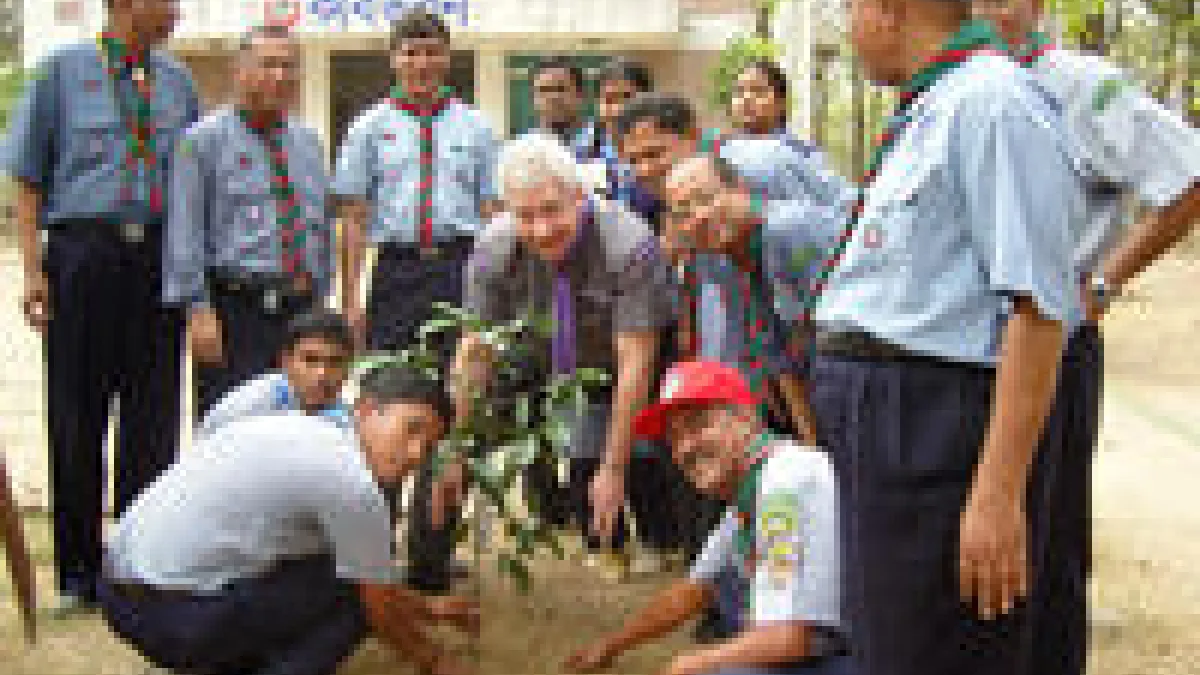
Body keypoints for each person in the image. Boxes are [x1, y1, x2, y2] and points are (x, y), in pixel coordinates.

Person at [807, 3, 1083, 674]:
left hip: (934, 423)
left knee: (940, 647)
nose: (848, 26)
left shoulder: (993, 102)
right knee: (891, 644)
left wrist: (998, 493)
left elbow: (1040, 311)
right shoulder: (936, 103)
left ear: (887, 9)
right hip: (888, 426)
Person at [969, 3, 1200, 673]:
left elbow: (1186, 178)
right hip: (970, 354)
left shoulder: (1079, 85)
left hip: (1050, 343)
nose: (988, 9)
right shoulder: (956, 89)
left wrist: (1103, 282)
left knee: (1046, 542)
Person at [2, 0, 199, 616]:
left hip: (157, 260)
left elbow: (192, 179)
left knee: (153, 418)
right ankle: (78, 572)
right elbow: (27, 177)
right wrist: (33, 270)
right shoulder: (62, 72)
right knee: (76, 415)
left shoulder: (178, 82)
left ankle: (140, 564)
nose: (175, 11)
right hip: (83, 255)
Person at [95, 364, 477, 675]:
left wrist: (428, 608)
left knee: (338, 570)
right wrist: (434, 661)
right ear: (365, 410)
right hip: (169, 618)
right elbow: (378, 606)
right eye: (411, 429)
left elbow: (370, 578)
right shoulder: (352, 483)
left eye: (428, 447)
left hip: (119, 595)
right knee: (355, 602)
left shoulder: (303, 427)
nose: (415, 454)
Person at [452, 132, 676, 579]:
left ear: (579, 196)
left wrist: (613, 469)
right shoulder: (493, 248)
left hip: (625, 359)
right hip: (544, 357)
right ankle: (600, 536)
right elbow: (476, 349)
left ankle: (662, 537)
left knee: (634, 457)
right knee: (581, 464)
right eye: (525, 215)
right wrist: (458, 447)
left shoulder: (629, 244)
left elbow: (635, 364)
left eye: (552, 210)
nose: (541, 229)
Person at [334, 7, 500, 593]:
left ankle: (431, 557)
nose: (421, 63)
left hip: (459, 270)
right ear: (393, 59)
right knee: (385, 402)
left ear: (447, 58)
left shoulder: (477, 127)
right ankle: (372, 552)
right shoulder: (368, 127)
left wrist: (487, 300)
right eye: (410, 52)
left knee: (454, 408)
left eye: (431, 51)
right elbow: (354, 217)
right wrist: (351, 299)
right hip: (397, 274)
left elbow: (491, 214)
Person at [563, 360, 849, 675]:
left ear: (745, 417)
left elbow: (788, 638)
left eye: (699, 423)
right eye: (673, 437)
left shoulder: (783, 482)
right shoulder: (755, 485)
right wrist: (613, 645)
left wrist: (693, 664)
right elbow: (692, 591)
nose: (685, 447)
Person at [165, 24, 336, 417]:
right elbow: (185, 233)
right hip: (236, 310)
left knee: (299, 421)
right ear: (239, 70)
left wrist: (321, 303)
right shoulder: (201, 142)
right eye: (268, 65)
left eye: (289, 66)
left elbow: (319, 228)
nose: (280, 76)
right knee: (231, 420)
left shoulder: (308, 142)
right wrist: (198, 310)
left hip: (299, 309)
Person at [196, 311, 354, 440]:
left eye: (335, 362)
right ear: (285, 362)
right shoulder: (244, 413)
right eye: (310, 360)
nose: (322, 373)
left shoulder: (346, 422)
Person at [573, 58, 660, 222]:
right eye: (609, 100)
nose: (618, 109)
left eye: (628, 98)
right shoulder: (584, 152)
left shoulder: (662, 149)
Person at [530, 55, 587, 146]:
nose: (553, 97)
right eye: (544, 90)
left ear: (579, 95)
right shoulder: (519, 149)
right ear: (534, 98)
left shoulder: (601, 144)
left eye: (561, 89)